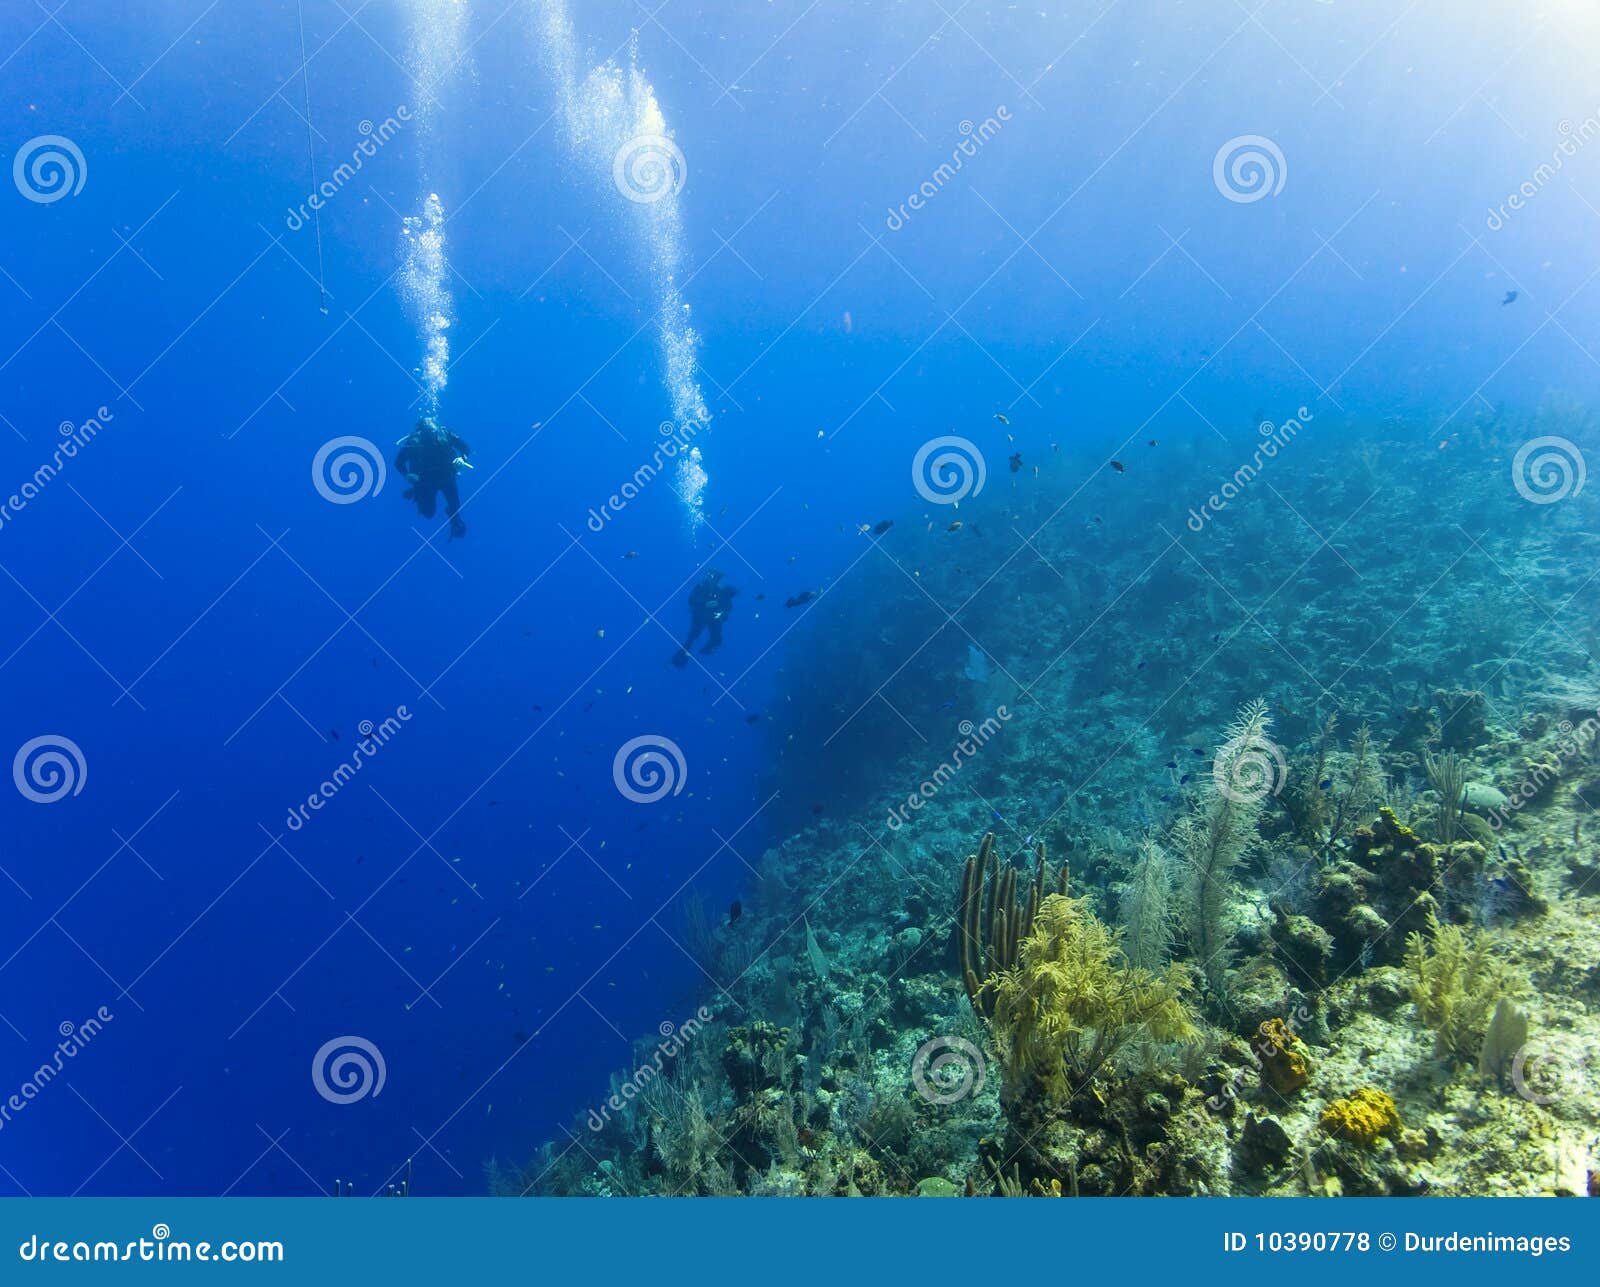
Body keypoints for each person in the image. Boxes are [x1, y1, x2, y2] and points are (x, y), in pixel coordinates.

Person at [395, 417, 472, 539]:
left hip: (446, 478)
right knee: (428, 513)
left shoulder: (446, 434)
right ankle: (416, 492)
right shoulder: (413, 442)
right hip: (425, 482)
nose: (429, 430)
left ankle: (455, 519)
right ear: (420, 432)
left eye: (431, 428)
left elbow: (465, 448)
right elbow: (398, 463)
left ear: (436, 427)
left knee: (455, 506)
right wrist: (407, 475)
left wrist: (462, 458)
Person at [671, 568, 738, 666]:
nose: (715, 580)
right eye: (714, 577)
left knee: (715, 639)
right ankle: (680, 658)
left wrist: (723, 614)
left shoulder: (722, 591)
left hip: (714, 617)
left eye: (717, 578)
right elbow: (691, 601)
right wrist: (705, 604)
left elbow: (727, 607)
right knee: (693, 637)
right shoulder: (701, 587)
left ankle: (701, 651)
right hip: (701, 616)